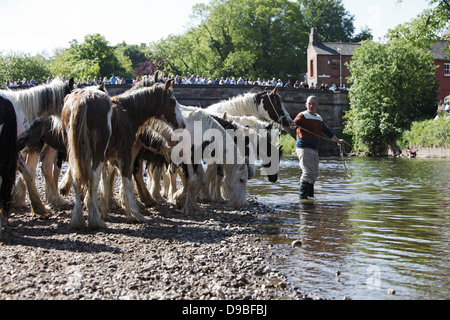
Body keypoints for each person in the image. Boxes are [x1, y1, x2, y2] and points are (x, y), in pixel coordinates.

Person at [291, 95, 345, 200]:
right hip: (303, 148)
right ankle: (302, 197)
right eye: (309, 104)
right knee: (307, 172)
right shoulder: (302, 115)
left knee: (314, 173)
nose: (311, 106)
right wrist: (292, 125)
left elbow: (328, 132)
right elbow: (294, 124)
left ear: (317, 105)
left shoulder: (319, 118)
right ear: (306, 104)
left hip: (314, 149)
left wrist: (338, 140)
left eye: (313, 104)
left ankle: (310, 196)